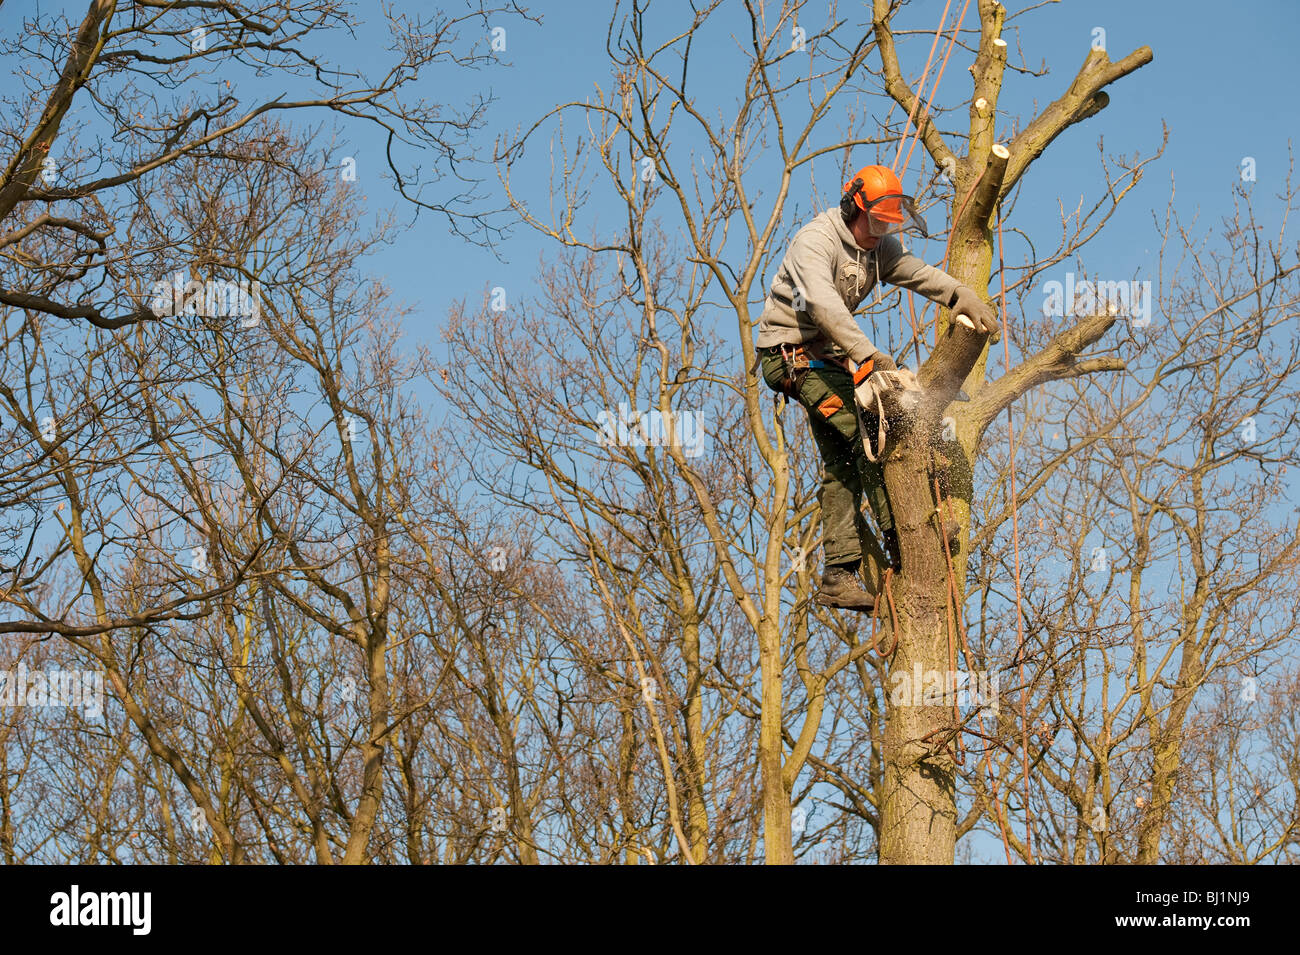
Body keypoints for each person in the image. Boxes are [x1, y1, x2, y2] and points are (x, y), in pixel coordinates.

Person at [756, 164, 998, 610]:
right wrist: (868, 356)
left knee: (844, 460)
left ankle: (838, 575)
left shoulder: (879, 245)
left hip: (828, 359)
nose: (881, 232)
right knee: (873, 432)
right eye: (876, 222)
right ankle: (905, 535)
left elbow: (914, 270)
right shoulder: (817, 240)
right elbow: (824, 304)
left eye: (888, 223)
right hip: (791, 358)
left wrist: (959, 293)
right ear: (853, 209)